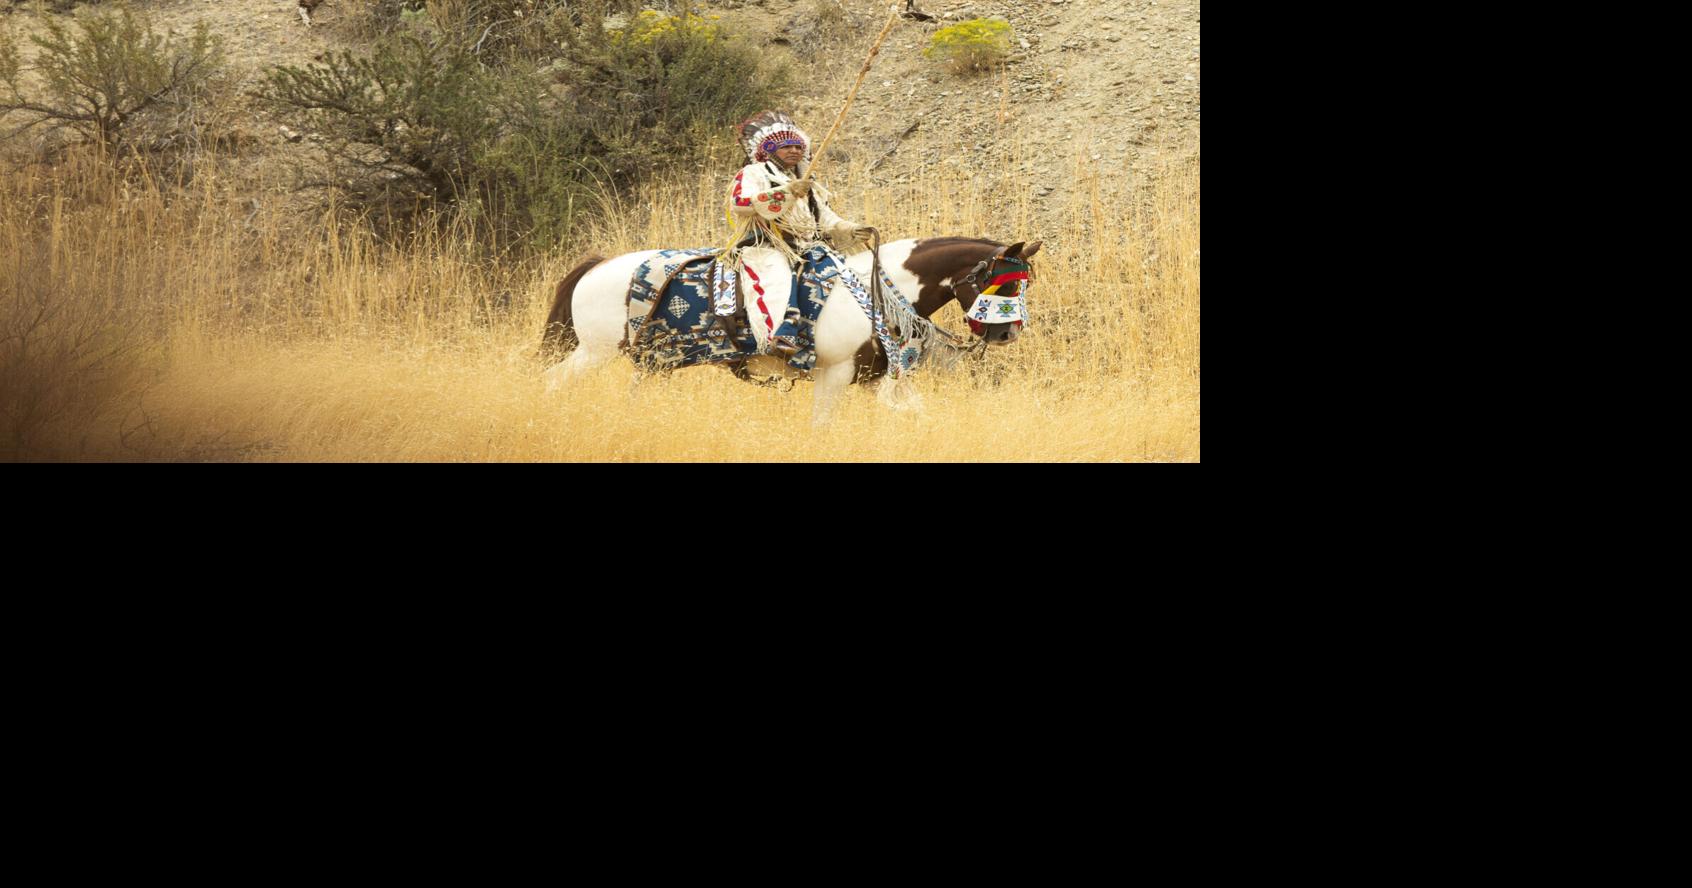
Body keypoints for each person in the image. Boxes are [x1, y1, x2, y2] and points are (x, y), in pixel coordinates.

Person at [728, 111, 875, 366]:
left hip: (808, 247)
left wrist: (850, 228)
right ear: (770, 149)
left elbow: (824, 217)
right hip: (767, 245)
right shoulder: (754, 172)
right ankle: (777, 338)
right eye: (787, 146)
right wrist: (785, 192)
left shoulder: (803, 180)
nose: (795, 150)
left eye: (798, 146)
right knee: (778, 281)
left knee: (848, 277)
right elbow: (740, 203)